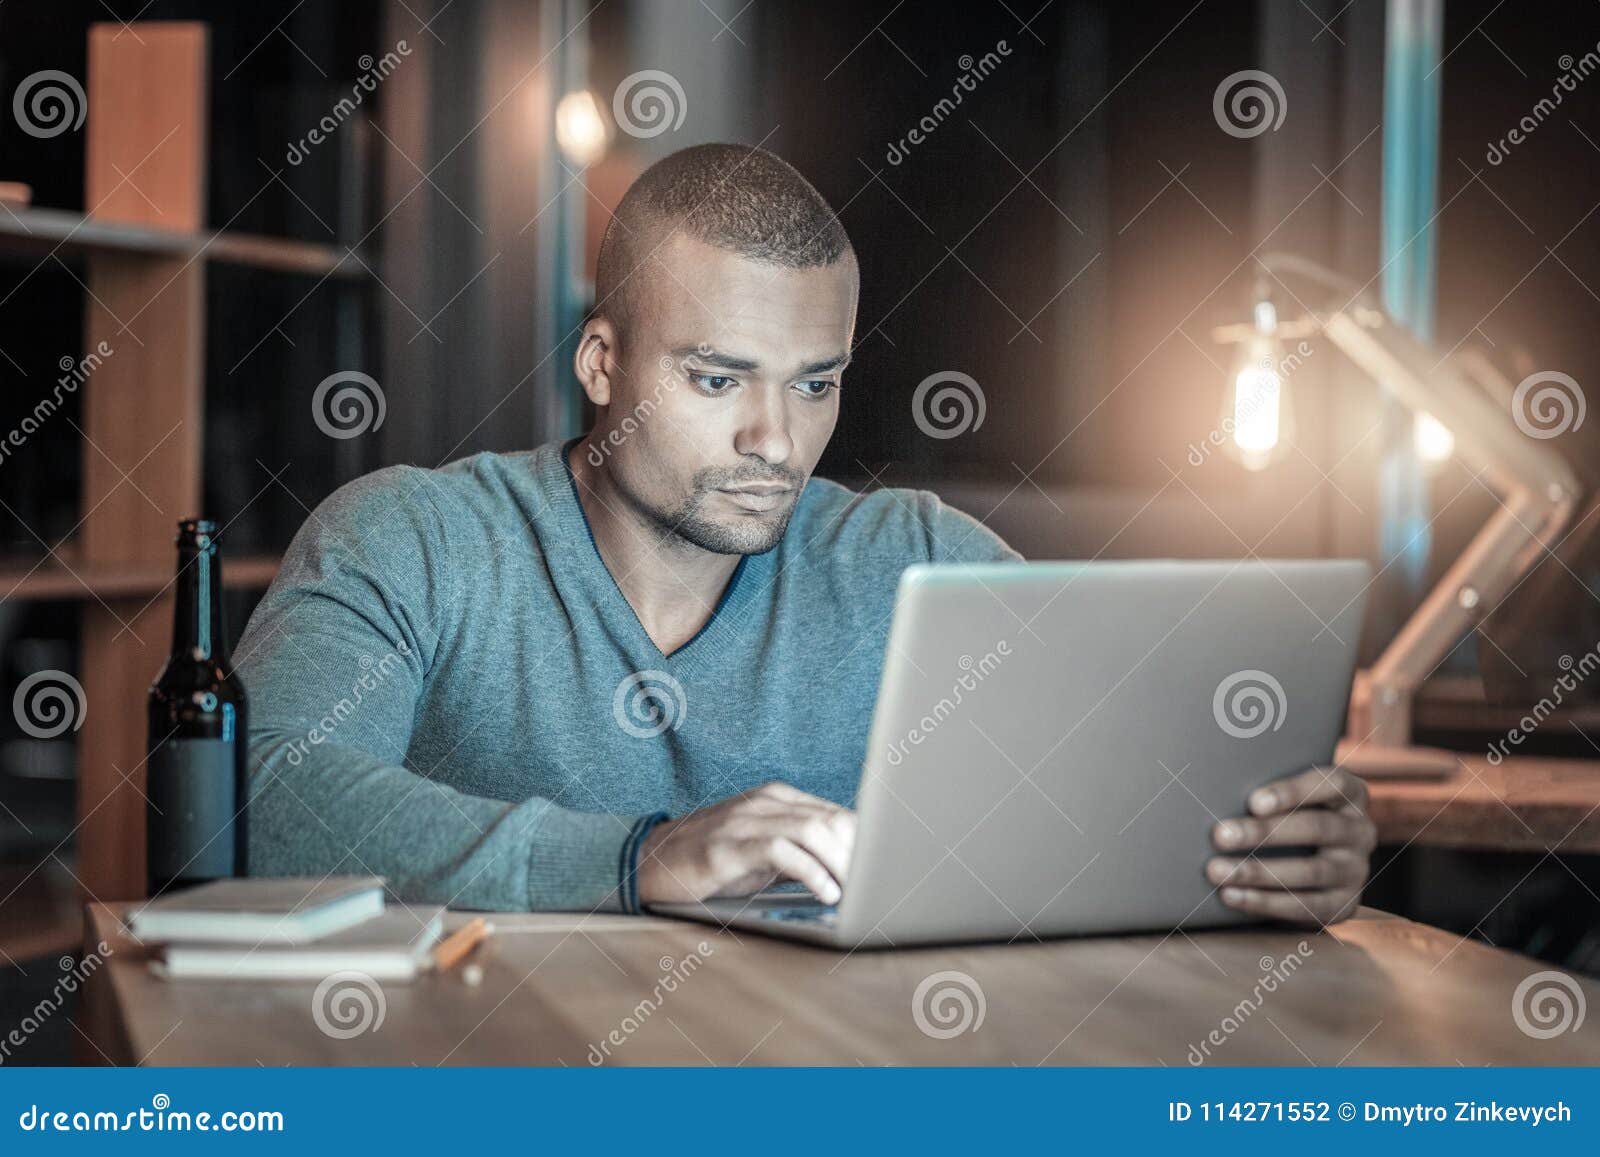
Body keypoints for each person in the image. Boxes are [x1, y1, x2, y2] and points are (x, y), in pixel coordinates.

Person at [237, 143, 1375, 926]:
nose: (774, 438)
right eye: (716, 375)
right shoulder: (411, 539)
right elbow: (259, 796)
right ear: (601, 365)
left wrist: (1272, 843)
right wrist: (638, 860)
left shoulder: (907, 559)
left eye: (814, 381)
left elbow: (1146, 765)